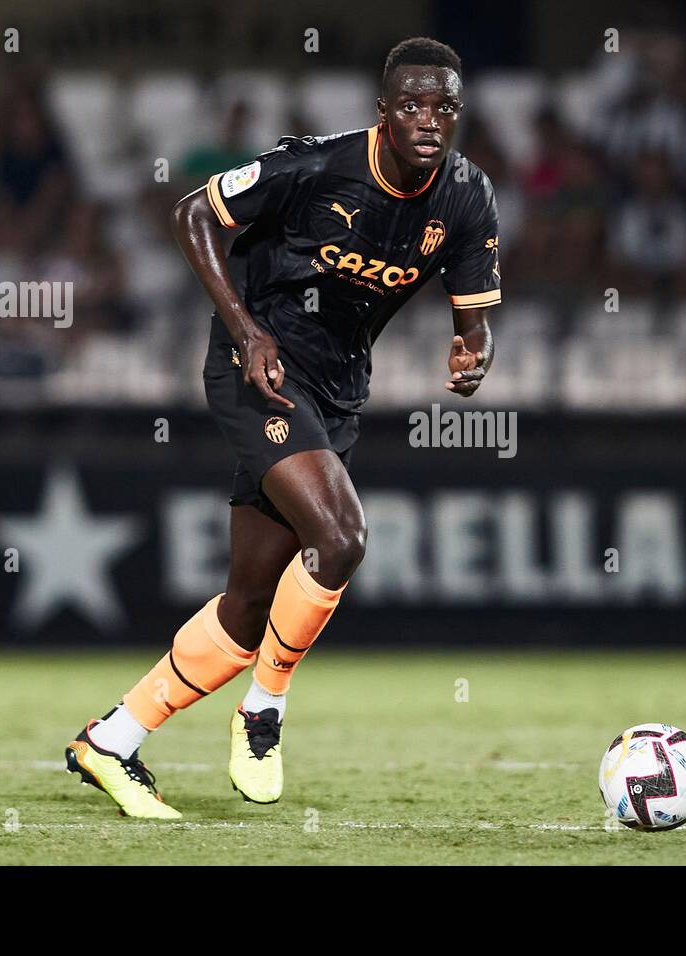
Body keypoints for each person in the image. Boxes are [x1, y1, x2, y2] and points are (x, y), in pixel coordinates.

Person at [65, 38, 501, 818]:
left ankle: (111, 741)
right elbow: (190, 213)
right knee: (341, 537)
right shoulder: (319, 167)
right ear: (383, 113)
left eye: (443, 107)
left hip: (336, 389)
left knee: (247, 605)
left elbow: (476, 321)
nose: (428, 119)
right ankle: (265, 711)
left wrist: (474, 353)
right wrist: (247, 332)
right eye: (411, 105)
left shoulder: (467, 198)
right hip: (257, 366)